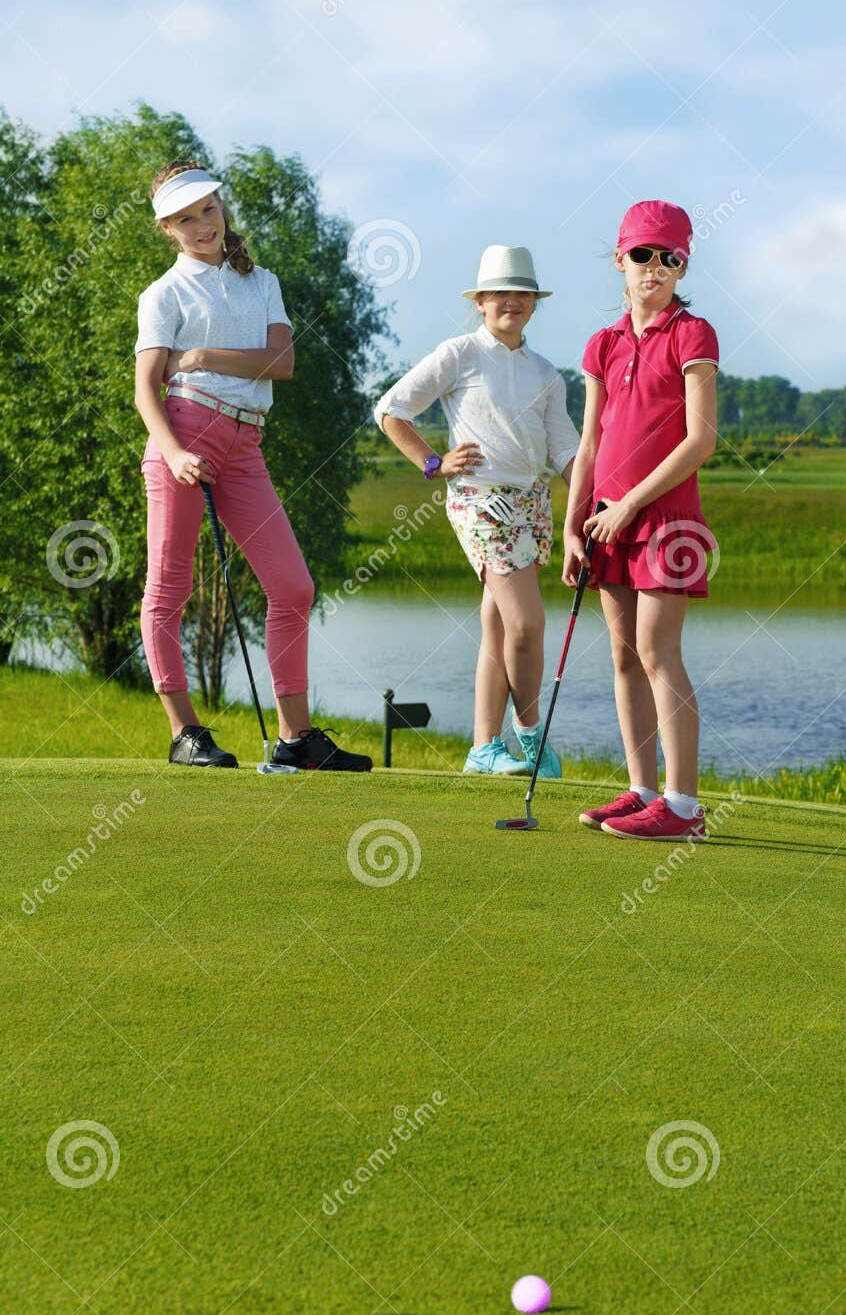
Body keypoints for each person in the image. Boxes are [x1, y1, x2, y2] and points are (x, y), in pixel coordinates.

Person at [134, 161, 371, 771]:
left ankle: (296, 738)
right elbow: (145, 389)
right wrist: (175, 453)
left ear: (221, 206)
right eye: (185, 219)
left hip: (245, 444)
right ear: (167, 229)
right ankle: (185, 731)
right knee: (169, 587)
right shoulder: (163, 294)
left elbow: (281, 363)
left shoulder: (262, 282)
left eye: (207, 210)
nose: (202, 225)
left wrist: (202, 355)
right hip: (184, 435)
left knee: (293, 587)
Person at [374, 244, 578, 776]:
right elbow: (391, 410)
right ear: (480, 302)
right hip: (481, 500)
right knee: (527, 625)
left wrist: (593, 502)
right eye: (499, 293)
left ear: (534, 303)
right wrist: (433, 462)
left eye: (522, 293)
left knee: (499, 626)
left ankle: (483, 747)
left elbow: (566, 452)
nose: (511, 301)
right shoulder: (459, 353)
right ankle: (530, 736)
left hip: (533, 503)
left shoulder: (547, 373)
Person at [562, 200, 719, 841]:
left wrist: (631, 503)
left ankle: (683, 807)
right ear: (620, 261)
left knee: (657, 651)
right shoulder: (603, 343)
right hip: (605, 519)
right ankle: (642, 791)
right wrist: (573, 525)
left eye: (668, 258)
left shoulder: (693, 334)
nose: (654, 267)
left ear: (682, 266)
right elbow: (590, 444)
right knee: (624, 656)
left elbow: (700, 440)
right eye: (642, 255)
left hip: (666, 518)